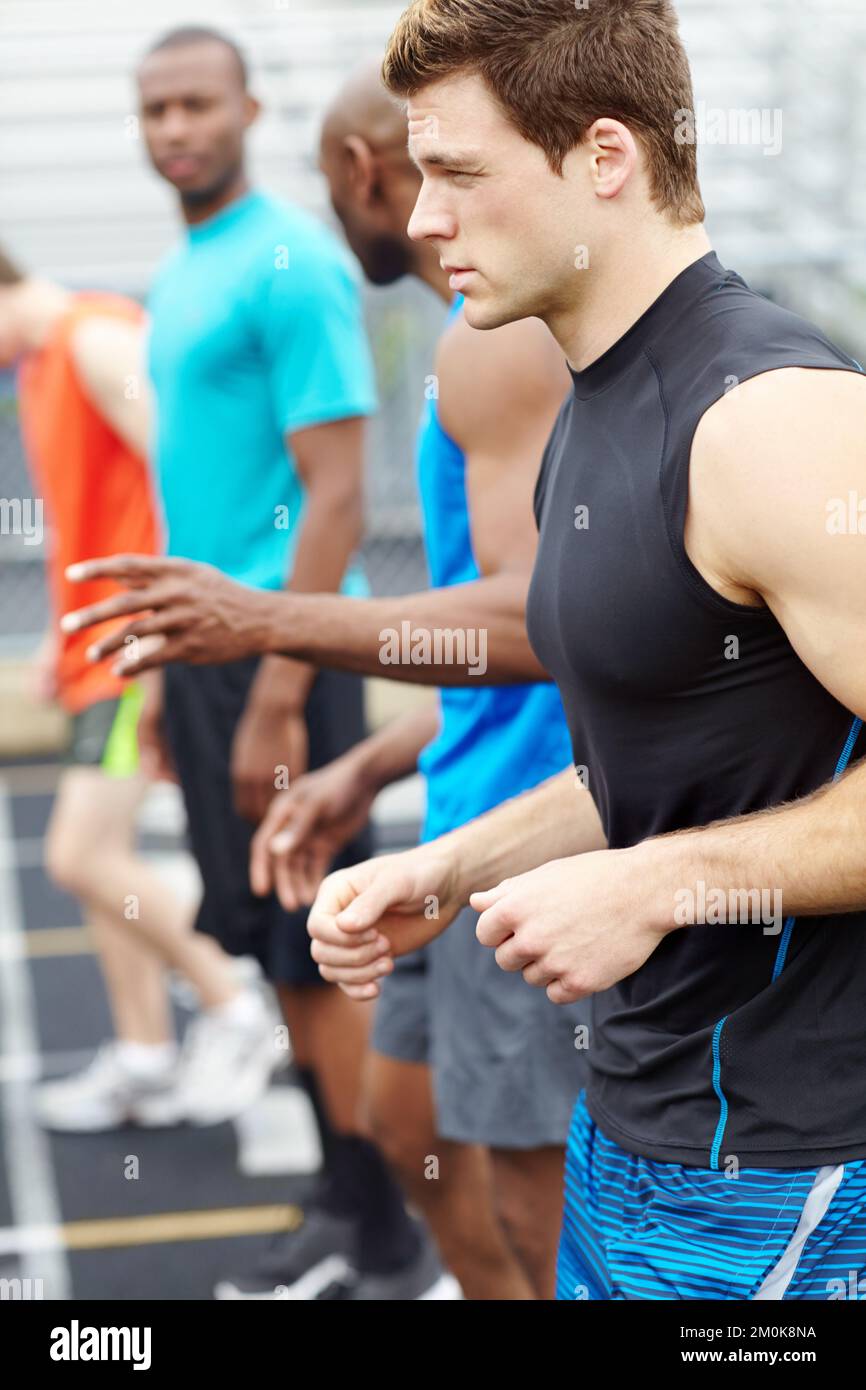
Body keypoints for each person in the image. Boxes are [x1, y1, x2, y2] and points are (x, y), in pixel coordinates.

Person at [300, 0, 866, 1302]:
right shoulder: (588, 392)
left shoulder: (765, 421)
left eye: (455, 172)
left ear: (603, 158)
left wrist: (655, 884)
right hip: (637, 1122)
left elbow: (671, 834)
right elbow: (665, 751)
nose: (421, 213)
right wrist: (451, 863)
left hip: (788, 1171)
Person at [60, 64, 588, 1300]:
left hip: (516, 826)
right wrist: (365, 763)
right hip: (436, 767)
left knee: (531, 1202)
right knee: (404, 1118)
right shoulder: (450, 337)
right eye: (155, 107)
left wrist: (278, 655)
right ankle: (378, 1226)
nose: (419, 220)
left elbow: (530, 623)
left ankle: (389, 1237)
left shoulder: (485, 342)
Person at [125, 26, 437, 1300]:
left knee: (325, 941)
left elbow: (330, 499)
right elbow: (196, 489)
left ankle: (395, 1232)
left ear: (248, 108)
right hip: (212, 660)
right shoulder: (186, 265)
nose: (173, 129)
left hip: (288, 651)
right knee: (272, 944)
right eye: (152, 110)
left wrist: (273, 689)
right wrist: (165, 674)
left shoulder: (292, 261)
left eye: (196, 104)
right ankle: (347, 1200)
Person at [0, 249, 278, 1131]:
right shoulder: (44, 361)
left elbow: (183, 476)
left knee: (78, 854)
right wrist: (59, 630)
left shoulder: (96, 337)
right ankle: (146, 1055)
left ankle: (234, 1006)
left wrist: (158, 635)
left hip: (134, 647)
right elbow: (93, 514)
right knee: (96, 870)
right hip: (95, 649)